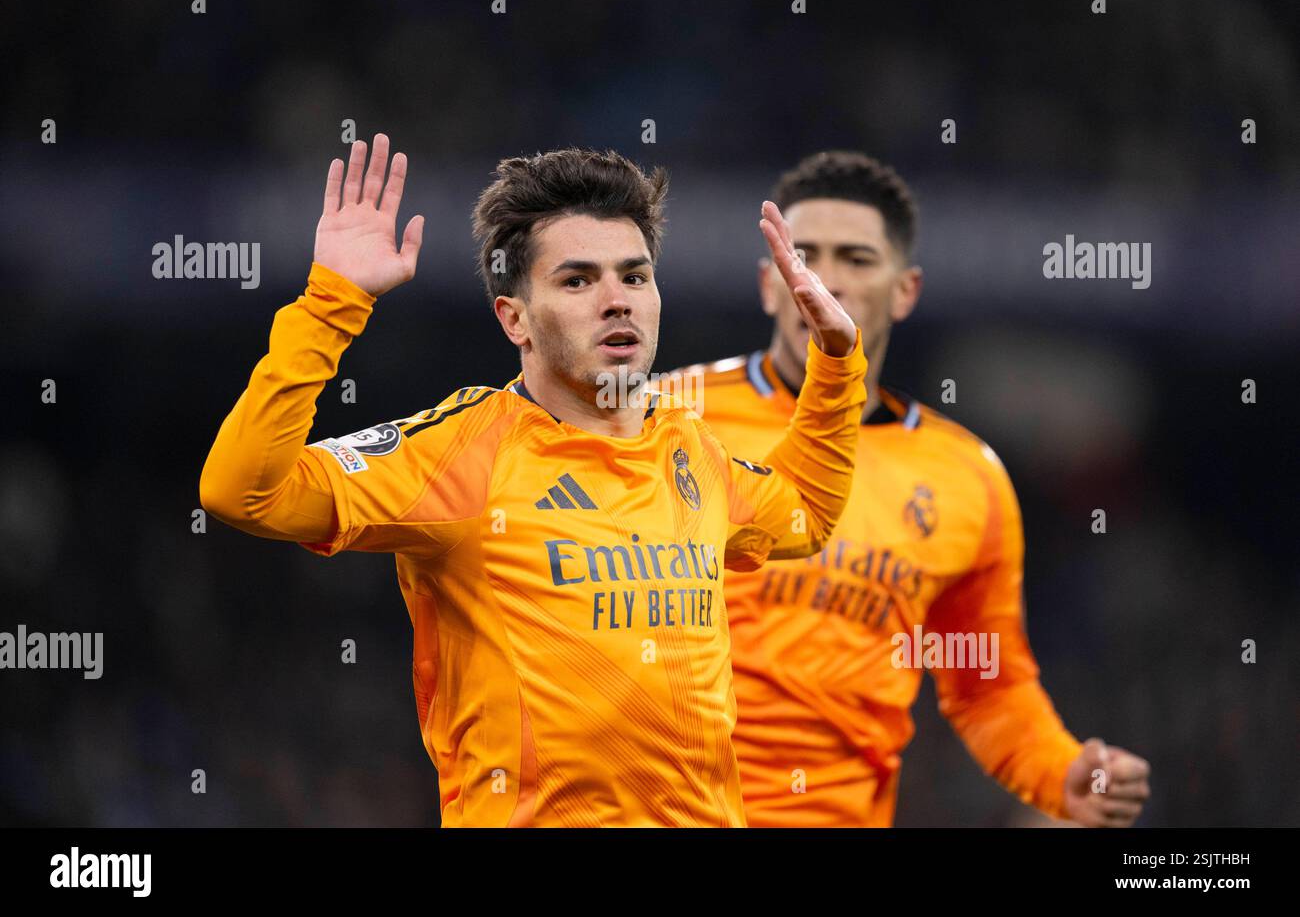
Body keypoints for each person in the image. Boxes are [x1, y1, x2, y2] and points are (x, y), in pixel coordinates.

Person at [198, 134, 868, 826]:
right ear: (513, 317)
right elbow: (244, 490)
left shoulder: (691, 451)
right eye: (577, 280)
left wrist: (837, 362)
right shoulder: (460, 454)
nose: (617, 301)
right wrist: (330, 306)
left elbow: (805, 514)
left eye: (634, 276)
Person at [674, 151, 1151, 827]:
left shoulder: (966, 476)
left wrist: (1058, 774)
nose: (827, 279)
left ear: (907, 290)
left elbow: (987, 685)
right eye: (802, 256)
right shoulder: (663, 419)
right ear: (768, 283)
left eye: (857, 259)